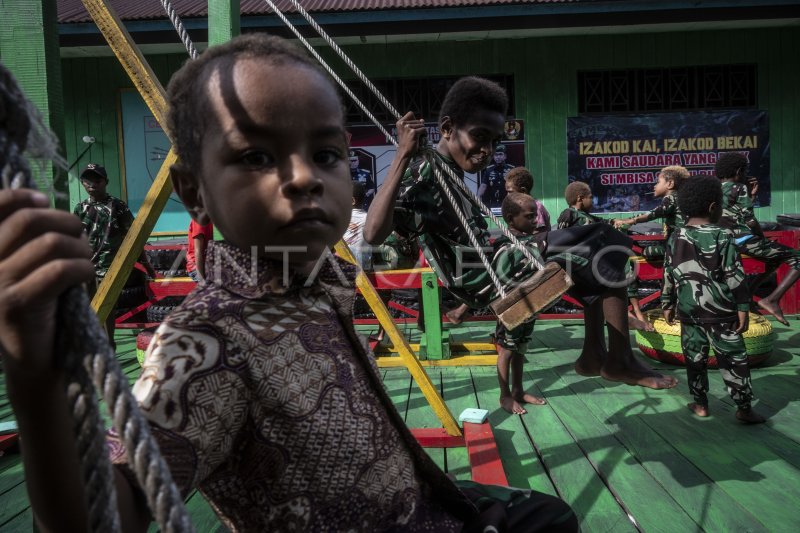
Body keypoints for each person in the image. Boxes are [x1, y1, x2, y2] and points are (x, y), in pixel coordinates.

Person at [0, 38, 579, 532]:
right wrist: (36, 379)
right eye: (256, 156)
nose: (303, 177)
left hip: (421, 502)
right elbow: (105, 514)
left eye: (325, 153)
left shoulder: (322, 286)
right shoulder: (207, 340)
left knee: (550, 515)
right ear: (193, 192)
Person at [365, 75, 677, 390]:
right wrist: (402, 154)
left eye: (494, 142)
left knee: (598, 253)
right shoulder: (422, 172)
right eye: (480, 137)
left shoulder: (449, 168)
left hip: (493, 259)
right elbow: (373, 233)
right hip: (479, 273)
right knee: (603, 241)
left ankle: (595, 354)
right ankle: (617, 359)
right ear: (447, 128)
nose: (487, 151)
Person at [661, 176, 765, 424]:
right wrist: (743, 306)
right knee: (734, 360)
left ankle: (700, 404)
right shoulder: (723, 235)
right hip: (722, 313)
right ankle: (744, 408)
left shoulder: (676, 236)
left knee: (694, 359)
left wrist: (667, 303)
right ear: (713, 207)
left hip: (689, 312)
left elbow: (668, 272)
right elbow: (734, 274)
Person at [74, 163, 156, 348]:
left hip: (108, 269)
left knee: (105, 310)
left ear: (106, 182)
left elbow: (133, 237)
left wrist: (146, 265)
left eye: (97, 179)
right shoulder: (80, 208)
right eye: (87, 180)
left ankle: (108, 347)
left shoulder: (117, 206)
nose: (92, 184)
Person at [715, 152, 800, 325]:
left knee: (773, 260)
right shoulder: (739, 188)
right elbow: (750, 221)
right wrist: (761, 237)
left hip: (722, 242)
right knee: (797, 258)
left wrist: (751, 198)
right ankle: (772, 299)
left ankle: (748, 296)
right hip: (742, 241)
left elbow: (731, 213)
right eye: (745, 171)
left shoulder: (713, 189)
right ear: (739, 171)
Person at [556, 181, 653, 332]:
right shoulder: (569, 214)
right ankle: (627, 315)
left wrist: (619, 222)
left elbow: (604, 223)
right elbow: (565, 237)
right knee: (610, 281)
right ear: (580, 198)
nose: (593, 201)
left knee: (622, 267)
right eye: (590, 197)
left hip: (592, 263)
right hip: (582, 264)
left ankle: (631, 312)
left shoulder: (587, 216)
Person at [494, 192, 548, 413]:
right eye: (529, 216)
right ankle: (504, 395)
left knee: (521, 349)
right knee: (507, 350)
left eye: (535, 215)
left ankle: (518, 390)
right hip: (513, 308)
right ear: (510, 219)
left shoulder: (530, 242)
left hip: (529, 307)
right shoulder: (505, 245)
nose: (535, 220)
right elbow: (501, 278)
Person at [505, 166, 551, 233]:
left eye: (510, 192)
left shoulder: (536, 207)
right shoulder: (518, 207)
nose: (507, 195)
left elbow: (539, 235)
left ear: (523, 191)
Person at [343, 181, 371, 268]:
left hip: (343, 267)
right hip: (364, 269)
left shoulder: (339, 219)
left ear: (352, 201)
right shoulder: (369, 219)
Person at [477, 143, 514, 209]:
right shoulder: (489, 170)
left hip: (508, 204)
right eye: (496, 155)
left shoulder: (511, 170)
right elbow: (483, 186)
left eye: (500, 154)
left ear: (505, 156)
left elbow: (516, 187)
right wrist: (478, 197)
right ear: (493, 157)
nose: (498, 157)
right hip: (493, 204)